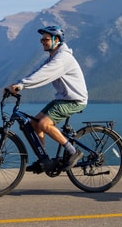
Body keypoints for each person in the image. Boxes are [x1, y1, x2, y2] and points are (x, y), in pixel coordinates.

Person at [6, 25, 88, 171]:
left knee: (43, 124)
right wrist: (17, 83)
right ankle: (43, 159)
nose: (42, 41)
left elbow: (44, 73)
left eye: (46, 39)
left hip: (75, 100)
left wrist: (22, 85)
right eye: (41, 39)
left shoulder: (63, 58)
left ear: (56, 40)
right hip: (63, 99)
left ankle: (73, 151)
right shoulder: (53, 57)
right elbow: (36, 71)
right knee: (33, 123)